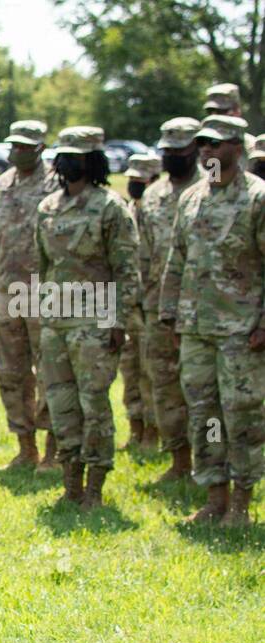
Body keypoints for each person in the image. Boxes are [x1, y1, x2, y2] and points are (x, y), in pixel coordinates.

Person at [160, 115, 265, 526]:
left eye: (215, 144)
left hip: (242, 332)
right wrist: (169, 315)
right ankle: (214, 496)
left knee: (241, 414)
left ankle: (242, 501)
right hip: (195, 329)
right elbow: (176, 261)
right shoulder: (191, 198)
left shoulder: (257, 197)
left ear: (236, 148)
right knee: (206, 417)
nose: (206, 151)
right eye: (202, 144)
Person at [35, 126, 142, 510]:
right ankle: (71, 485)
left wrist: (119, 322)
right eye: (63, 155)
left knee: (93, 404)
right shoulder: (47, 207)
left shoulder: (111, 207)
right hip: (56, 326)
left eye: (75, 156)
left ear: (92, 160)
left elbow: (127, 270)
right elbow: (43, 266)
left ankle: (95, 488)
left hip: (95, 325)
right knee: (61, 404)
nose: (67, 162)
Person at [0, 120, 57, 470]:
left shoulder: (56, 183)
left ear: (40, 148)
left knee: (50, 372)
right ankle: (25, 446)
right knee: (11, 373)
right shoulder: (1, 185)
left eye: (26, 147)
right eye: (14, 145)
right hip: (6, 292)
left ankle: (54, 449)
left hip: (45, 294)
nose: (18, 152)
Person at [139, 118, 204, 482]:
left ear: (195, 150)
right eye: (168, 151)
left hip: (204, 309)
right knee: (164, 386)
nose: (173, 157)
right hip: (158, 308)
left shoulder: (208, 190)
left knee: (204, 390)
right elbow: (143, 255)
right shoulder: (152, 195)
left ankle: (212, 460)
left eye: (180, 150)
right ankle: (179, 461)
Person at [120, 153, 161, 453]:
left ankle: (154, 431)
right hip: (129, 304)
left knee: (152, 371)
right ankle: (135, 426)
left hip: (152, 303)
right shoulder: (126, 210)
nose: (135, 185)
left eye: (141, 180)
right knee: (130, 368)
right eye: (131, 180)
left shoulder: (160, 213)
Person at [203, 83, 256, 152]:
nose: (214, 115)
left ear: (237, 110)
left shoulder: (252, 146)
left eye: (221, 111)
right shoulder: (202, 144)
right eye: (210, 111)